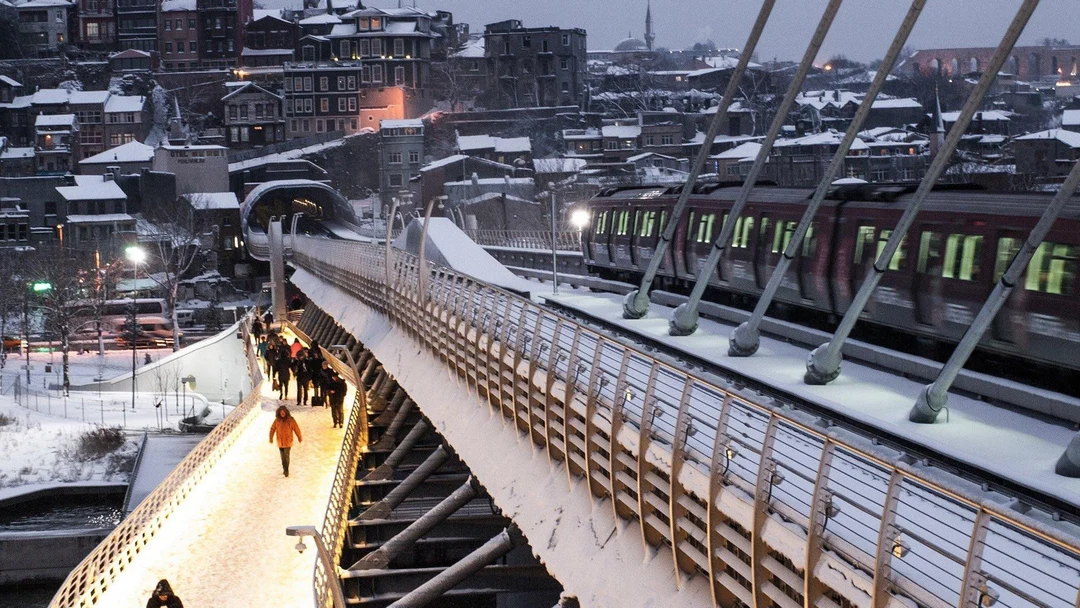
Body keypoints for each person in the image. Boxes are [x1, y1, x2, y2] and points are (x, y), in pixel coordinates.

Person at [269, 405, 302, 477]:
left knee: (287, 456)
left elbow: (296, 429)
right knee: (282, 457)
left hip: (288, 441)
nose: (282, 413)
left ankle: (286, 470)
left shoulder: (291, 420)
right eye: (281, 412)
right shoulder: (277, 420)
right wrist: (271, 438)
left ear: (286, 412)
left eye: (284, 412)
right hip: (280, 442)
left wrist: (299, 437)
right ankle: (284, 468)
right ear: (279, 413)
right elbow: (272, 429)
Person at [324, 361, 347, 428]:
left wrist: (335, 392)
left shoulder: (342, 383)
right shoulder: (331, 382)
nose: (333, 378)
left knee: (340, 411)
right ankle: (335, 422)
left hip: (339, 398)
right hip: (333, 398)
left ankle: (340, 422)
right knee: (334, 411)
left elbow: (344, 392)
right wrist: (330, 392)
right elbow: (327, 388)